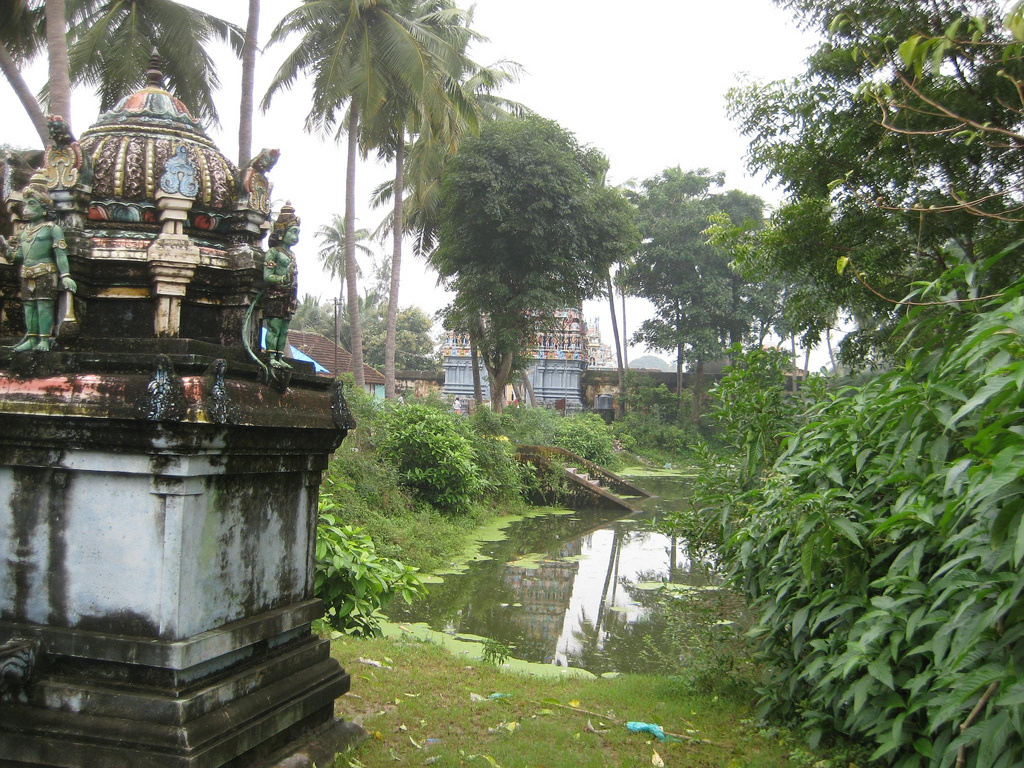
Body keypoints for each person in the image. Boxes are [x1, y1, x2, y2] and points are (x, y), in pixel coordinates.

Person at [0, 184, 76, 352]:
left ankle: (44, 339)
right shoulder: (24, 232)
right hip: (26, 273)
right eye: (26, 204)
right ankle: (32, 337)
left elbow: (61, 254)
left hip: (46, 272)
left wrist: (65, 275)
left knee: (43, 307)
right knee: (29, 307)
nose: (26, 209)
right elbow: (17, 257)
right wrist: (6, 251)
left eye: (32, 204)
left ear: (44, 209)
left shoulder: (52, 229)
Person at [263, 202, 299, 368]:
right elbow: (267, 276)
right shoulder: (274, 252)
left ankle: (279, 356)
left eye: (297, 232)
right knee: (274, 327)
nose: (296, 236)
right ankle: (271, 357)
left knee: (284, 329)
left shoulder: (291, 255)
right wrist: (282, 279)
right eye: (293, 232)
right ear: (281, 232)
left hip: (288, 296)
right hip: (275, 295)